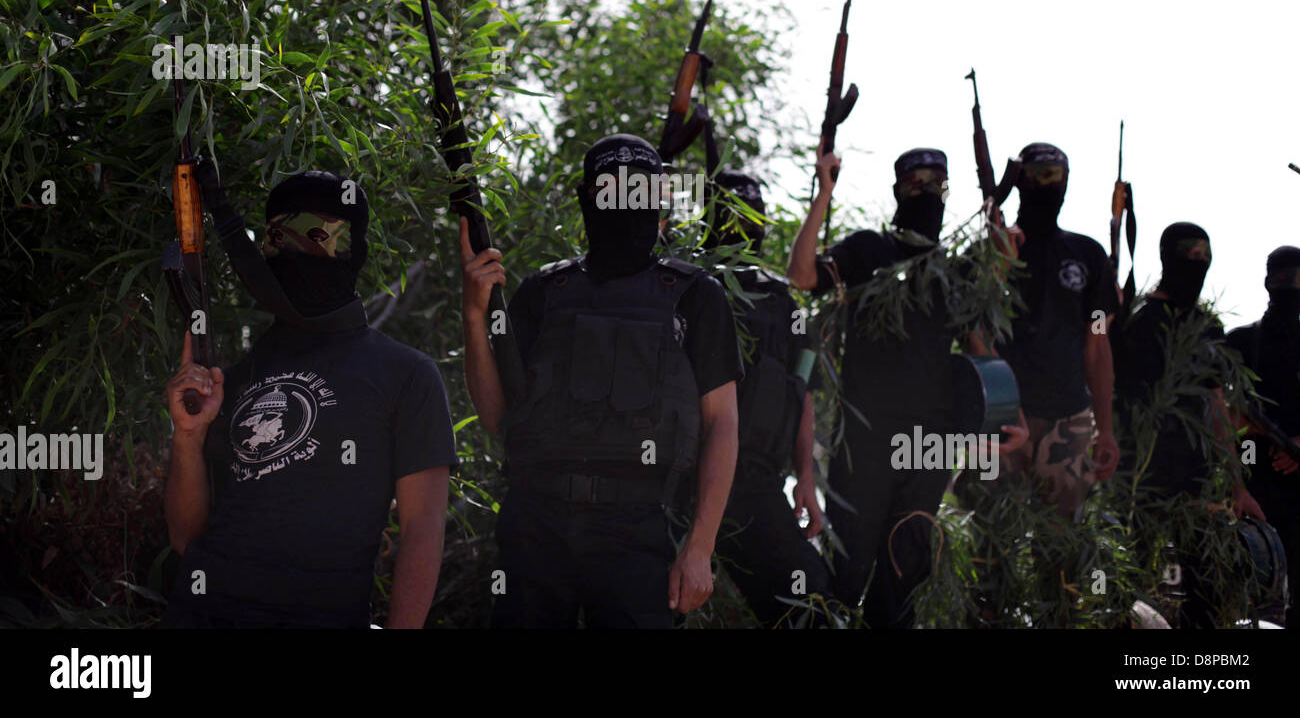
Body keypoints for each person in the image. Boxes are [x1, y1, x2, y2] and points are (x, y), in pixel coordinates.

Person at [461, 133, 740, 628]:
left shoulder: (697, 296)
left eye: (639, 190)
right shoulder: (543, 292)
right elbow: (499, 417)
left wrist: (700, 546)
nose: (625, 203)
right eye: (611, 190)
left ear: (661, 204)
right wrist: (473, 316)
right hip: (536, 526)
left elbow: (722, 424)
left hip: (641, 529)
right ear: (587, 198)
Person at [162, 171, 457, 628]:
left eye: (318, 237)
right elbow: (187, 538)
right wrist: (188, 435)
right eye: (283, 238)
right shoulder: (231, 380)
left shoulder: (406, 375)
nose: (299, 257)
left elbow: (422, 532)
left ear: (354, 250)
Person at [787, 144, 1025, 627]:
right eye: (914, 181)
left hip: (929, 445)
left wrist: (1010, 414)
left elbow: (979, 348)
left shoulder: (954, 271)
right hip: (865, 441)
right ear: (897, 189)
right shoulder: (869, 251)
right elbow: (801, 274)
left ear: (946, 190)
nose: (924, 189)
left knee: (905, 572)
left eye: (935, 181)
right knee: (848, 569)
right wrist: (823, 194)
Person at [1113, 222, 1265, 627]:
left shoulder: (1208, 329)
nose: (1197, 264)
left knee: (1206, 591)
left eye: (1205, 257)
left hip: (1194, 484)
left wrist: (1237, 486)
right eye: (1189, 255)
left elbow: (1216, 406)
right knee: (1127, 583)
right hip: (1137, 479)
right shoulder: (1138, 320)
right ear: (1166, 256)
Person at [702, 170, 835, 627]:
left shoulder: (782, 302)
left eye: (749, 218)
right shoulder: (684, 287)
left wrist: (805, 478)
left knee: (810, 602)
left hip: (755, 486)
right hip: (681, 485)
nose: (741, 229)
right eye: (730, 217)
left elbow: (800, 393)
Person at [994, 143, 1120, 518]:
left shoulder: (1087, 255)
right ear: (1018, 181)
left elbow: (1096, 344)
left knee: (1062, 548)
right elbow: (972, 330)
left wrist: (1106, 430)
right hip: (1001, 418)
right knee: (991, 543)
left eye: (1053, 176)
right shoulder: (993, 251)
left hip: (1068, 421)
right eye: (1035, 176)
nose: (1044, 185)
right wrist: (996, 264)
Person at [1226, 244, 1300, 628]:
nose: (1289, 288)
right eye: (1283, 280)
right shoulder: (1241, 342)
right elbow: (1218, 412)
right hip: (1254, 479)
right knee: (1252, 602)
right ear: (1268, 282)